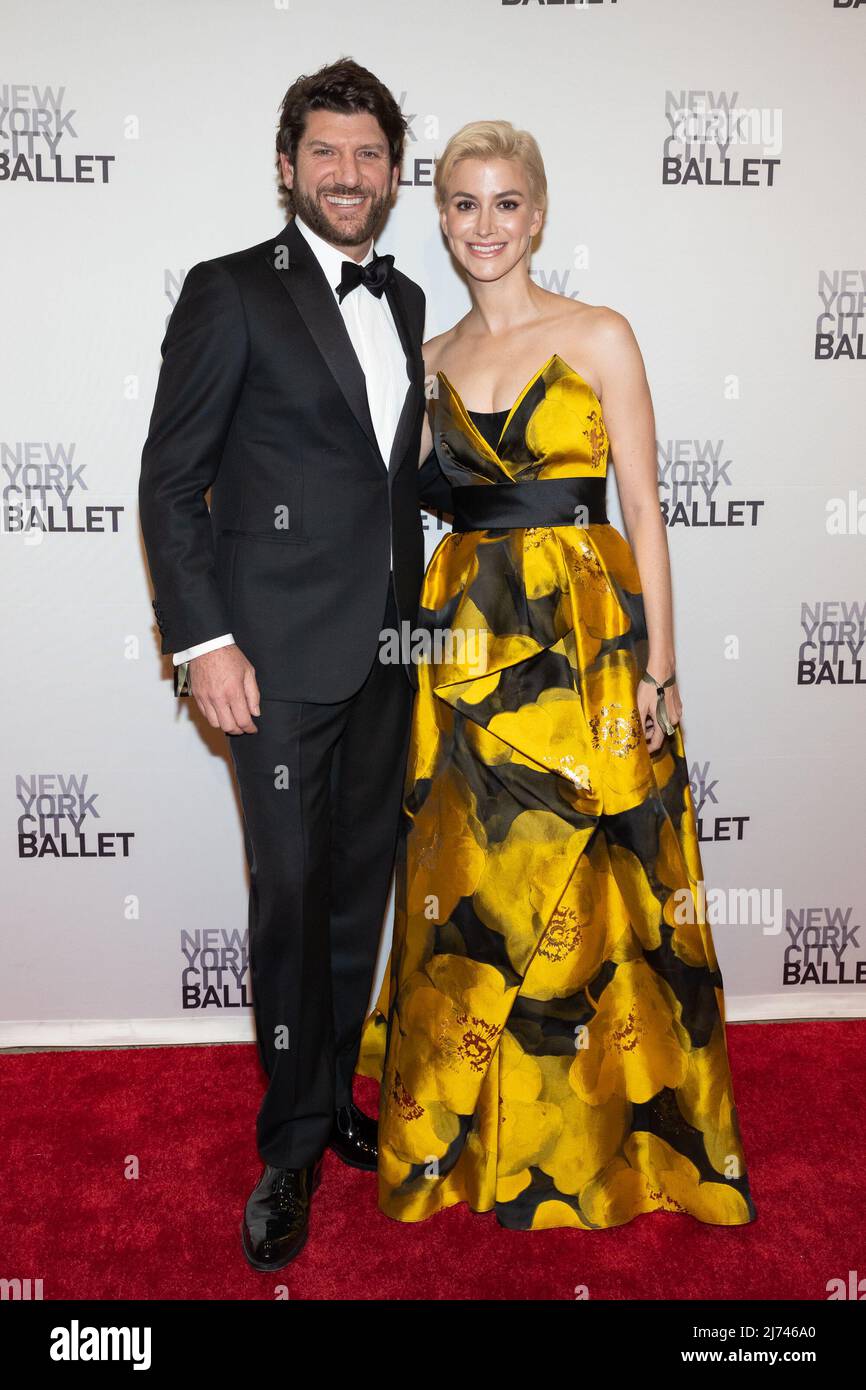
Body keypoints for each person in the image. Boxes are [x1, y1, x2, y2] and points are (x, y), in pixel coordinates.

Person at [358, 120, 758, 1232]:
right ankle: (476, 1143)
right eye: (461, 204)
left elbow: (642, 509)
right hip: (464, 648)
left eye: (504, 204)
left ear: (536, 216)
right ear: (439, 220)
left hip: (584, 642)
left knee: (599, 889)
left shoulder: (599, 336)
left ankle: (602, 1153)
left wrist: (659, 668)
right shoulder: (427, 359)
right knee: (477, 892)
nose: (483, 225)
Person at [138, 58, 445, 1270]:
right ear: (286, 167)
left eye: (369, 155)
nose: (349, 174)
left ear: (392, 172)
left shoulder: (409, 298)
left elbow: (390, 480)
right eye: (326, 153)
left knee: (353, 894)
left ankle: (330, 1106)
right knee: (286, 899)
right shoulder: (230, 293)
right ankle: (285, 1144)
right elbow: (171, 483)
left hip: (385, 650)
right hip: (267, 663)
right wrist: (203, 644)